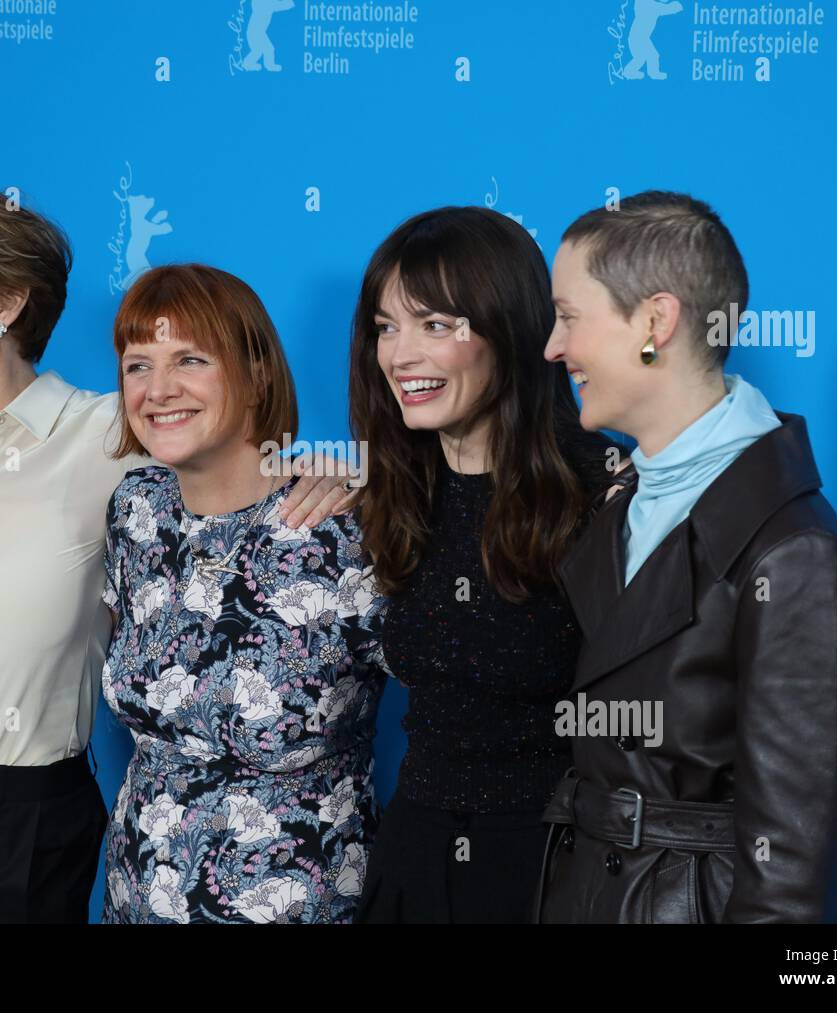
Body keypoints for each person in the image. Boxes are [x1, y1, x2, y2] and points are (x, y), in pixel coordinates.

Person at [0, 188, 347, 923]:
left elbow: (227, 460)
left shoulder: (109, 436)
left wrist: (338, 469)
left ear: (4, 302)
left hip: (8, 824)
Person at [536, 190, 837, 922]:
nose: (552, 349)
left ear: (656, 322)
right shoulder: (619, 502)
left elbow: (787, 881)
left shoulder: (795, 552)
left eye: (568, 317)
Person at [348, 207, 621, 923]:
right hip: (412, 858)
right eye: (385, 326)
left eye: (435, 324)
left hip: (555, 867)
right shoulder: (386, 493)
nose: (400, 354)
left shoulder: (610, 491)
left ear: (511, 328)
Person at [99, 264, 388, 923]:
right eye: (137, 364)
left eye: (190, 359)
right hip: (135, 903)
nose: (159, 388)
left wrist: (378, 482)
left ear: (257, 373)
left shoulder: (344, 526)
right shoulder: (135, 513)